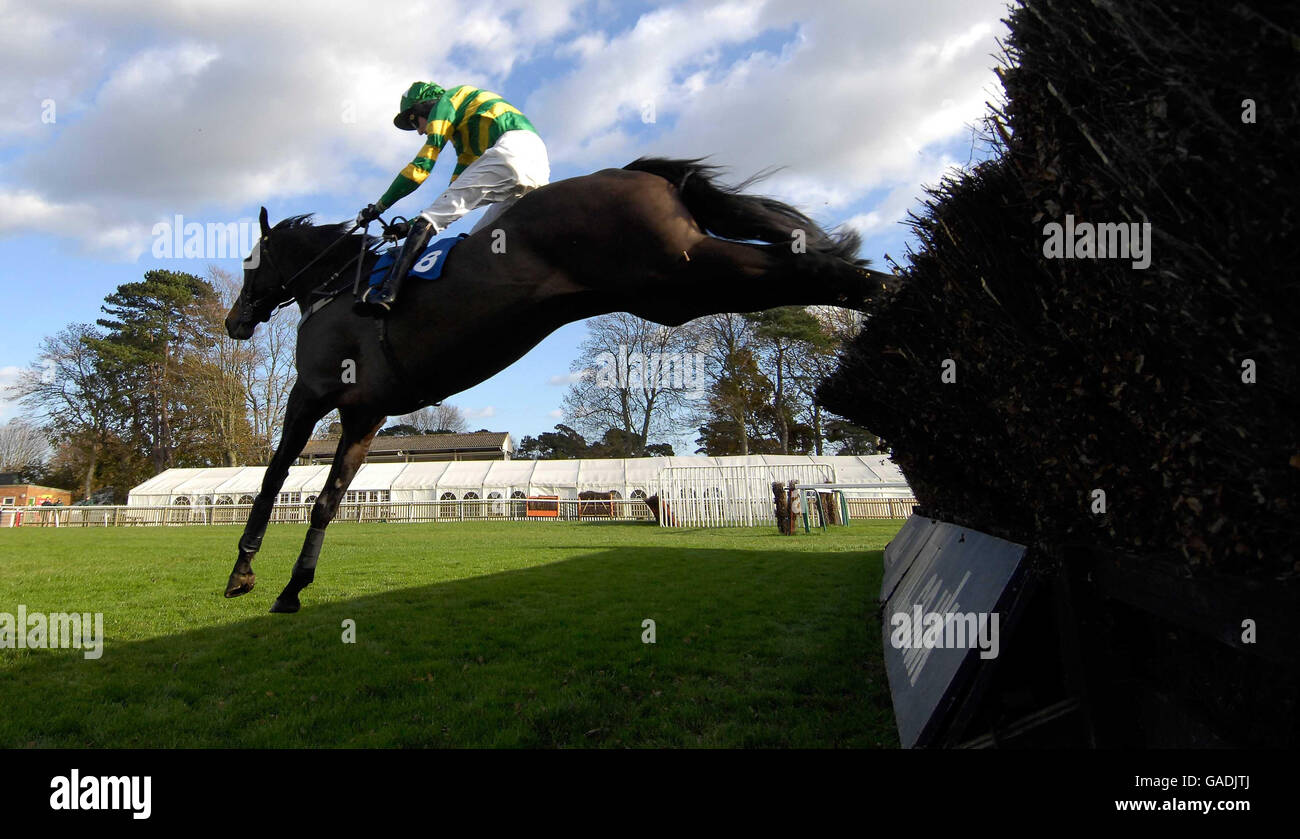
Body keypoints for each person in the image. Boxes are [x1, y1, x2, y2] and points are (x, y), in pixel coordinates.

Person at [355, 81, 550, 313]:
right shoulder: (466, 135)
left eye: (414, 120)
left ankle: (388, 293)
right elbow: (452, 195)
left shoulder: (446, 101)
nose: (419, 130)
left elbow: (421, 166)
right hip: (538, 164)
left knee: (431, 221)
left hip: (512, 152)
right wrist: (409, 226)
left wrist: (378, 207)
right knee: (474, 242)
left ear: (425, 106)